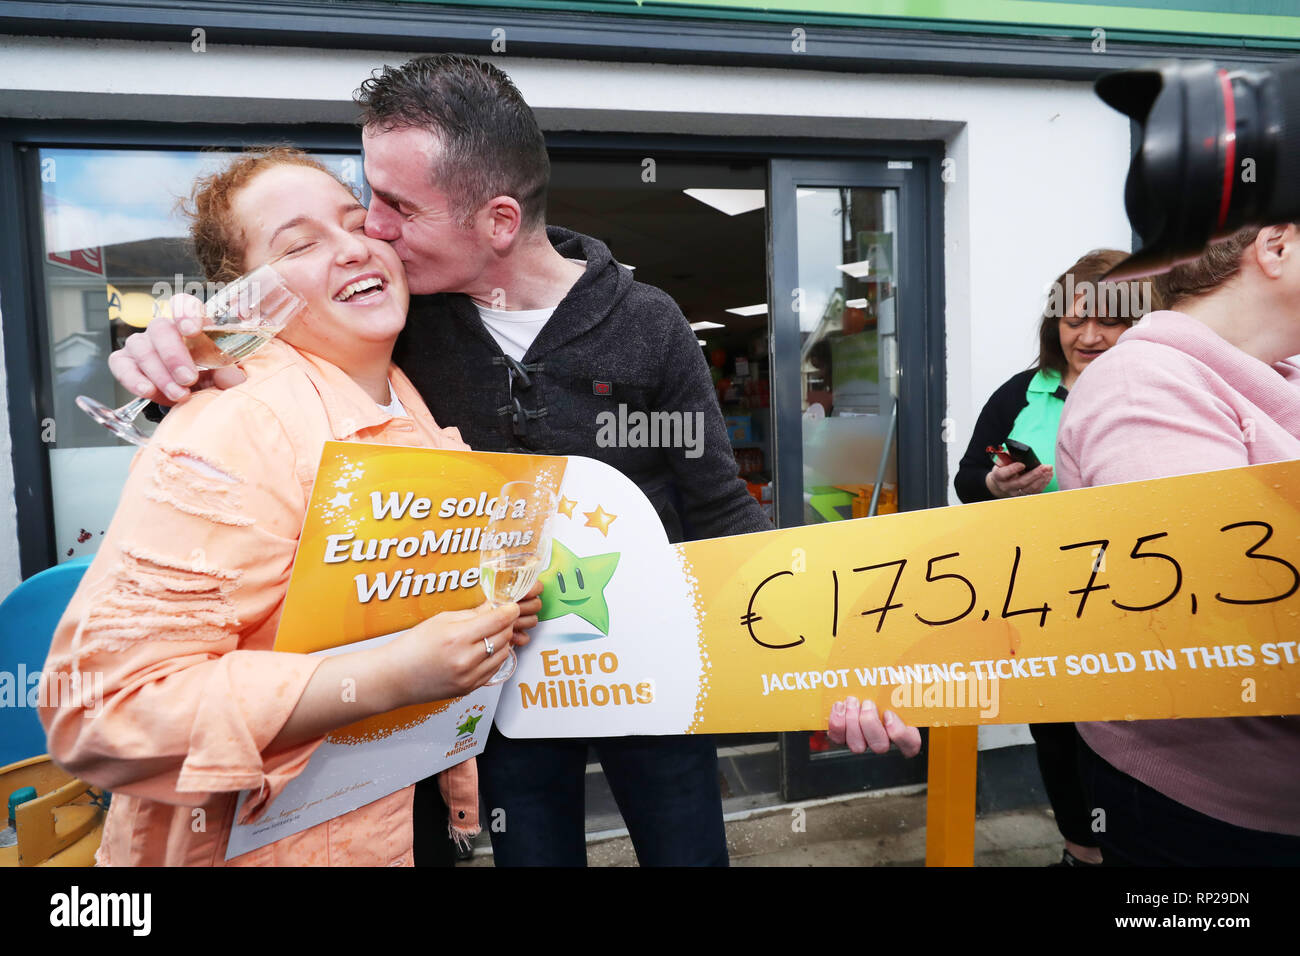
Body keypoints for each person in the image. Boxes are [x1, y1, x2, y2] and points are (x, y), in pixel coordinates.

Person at [106, 54, 920, 866]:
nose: (372, 230)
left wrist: (832, 660)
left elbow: (723, 513)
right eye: (367, 200)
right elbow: (275, 346)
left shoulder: (649, 324)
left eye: (394, 207)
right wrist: (181, 338)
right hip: (498, 696)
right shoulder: (395, 324)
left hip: (653, 673)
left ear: (497, 221)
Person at [40, 148, 542, 866]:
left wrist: (488, 614)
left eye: (355, 222)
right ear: (244, 296)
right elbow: (101, 711)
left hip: (404, 816)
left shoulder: (412, 398)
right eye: (301, 244)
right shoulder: (236, 419)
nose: (350, 249)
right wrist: (392, 675)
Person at [1056, 223, 1300, 865]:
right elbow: (1218, 621)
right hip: (1216, 813)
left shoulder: (1275, 377)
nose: (1085, 335)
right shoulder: (1148, 386)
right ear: (1275, 246)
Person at [955, 248, 1146, 867]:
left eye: (1109, 321)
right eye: (1072, 319)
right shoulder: (1022, 391)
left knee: (1138, 732)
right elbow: (967, 476)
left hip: (1142, 597)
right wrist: (994, 484)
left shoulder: (1160, 389)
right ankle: (1080, 852)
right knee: (1059, 733)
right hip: (1044, 600)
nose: (1087, 336)